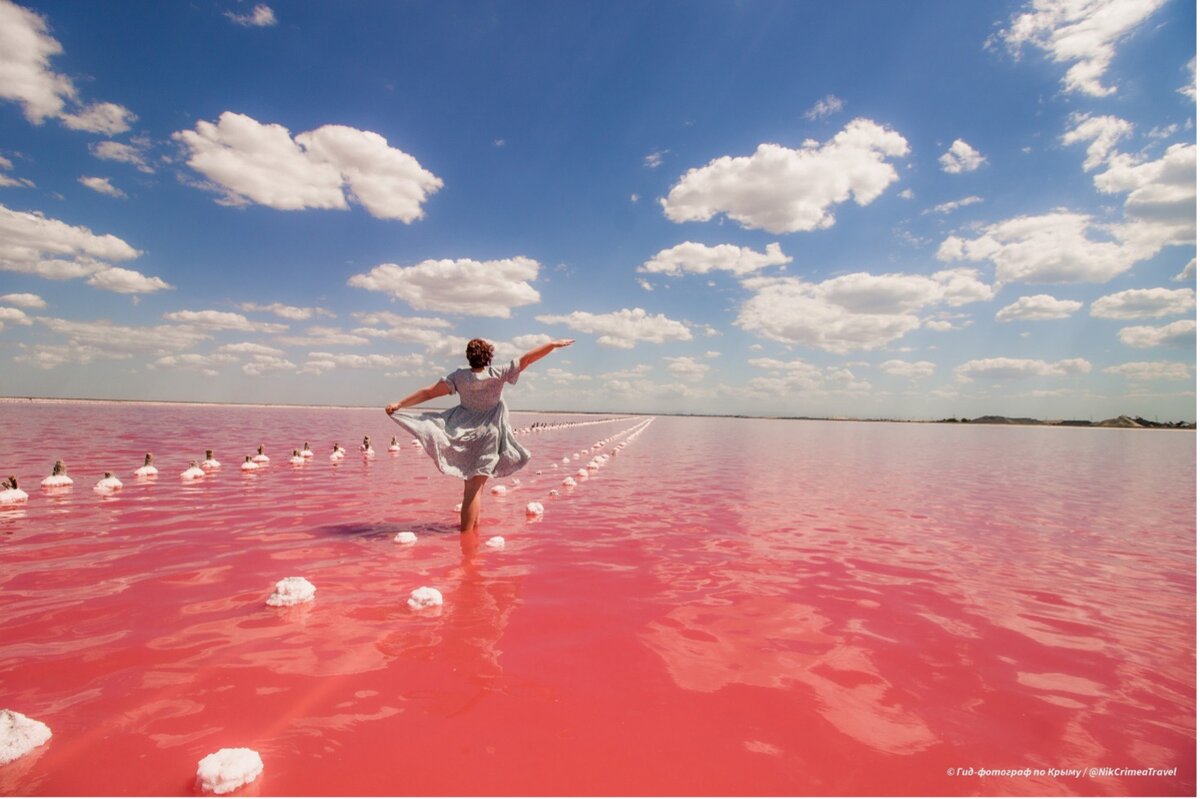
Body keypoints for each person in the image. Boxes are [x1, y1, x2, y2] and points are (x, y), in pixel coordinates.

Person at [386, 337, 574, 533]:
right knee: (474, 489)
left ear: (469, 357)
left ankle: (471, 536)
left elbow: (428, 393)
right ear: (488, 356)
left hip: (463, 432)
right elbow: (527, 359)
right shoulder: (497, 372)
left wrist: (400, 404)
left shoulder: (459, 377)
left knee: (474, 488)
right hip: (488, 436)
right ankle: (467, 541)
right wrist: (552, 345)